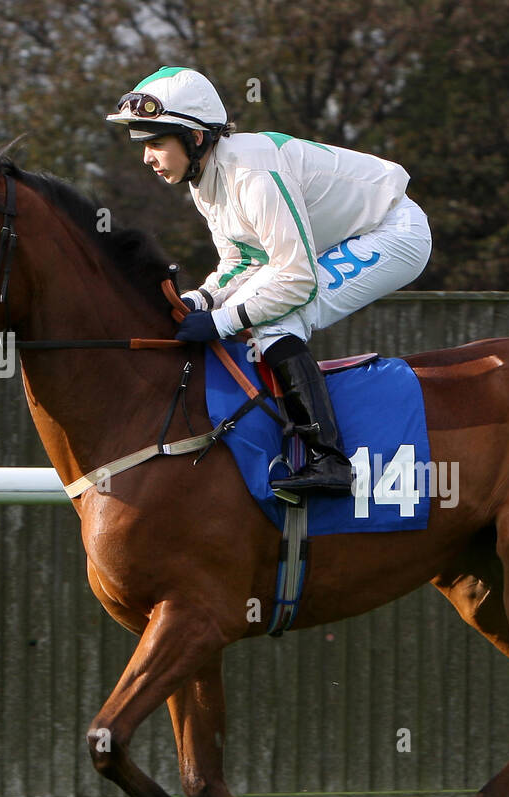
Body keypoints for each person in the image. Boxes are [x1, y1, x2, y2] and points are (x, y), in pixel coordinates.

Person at [106, 66, 432, 496]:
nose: (147, 157)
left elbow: (297, 279)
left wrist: (221, 322)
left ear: (196, 137)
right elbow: (242, 262)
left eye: (156, 142)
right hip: (344, 237)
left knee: (277, 321)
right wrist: (200, 299)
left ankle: (328, 459)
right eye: (143, 144)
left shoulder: (251, 172)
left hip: (393, 232)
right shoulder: (206, 178)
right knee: (246, 311)